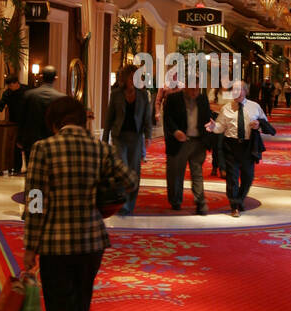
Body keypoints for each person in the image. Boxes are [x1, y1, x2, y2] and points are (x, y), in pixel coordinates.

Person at [23, 97, 137, 311]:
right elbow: (128, 181)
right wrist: (100, 190)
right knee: (81, 307)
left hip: (56, 245)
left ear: (55, 121)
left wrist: (29, 248)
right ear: (82, 120)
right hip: (91, 243)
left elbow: (35, 201)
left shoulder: (43, 149)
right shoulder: (100, 148)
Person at [207, 78, 269, 218]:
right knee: (232, 178)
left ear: (245, 91)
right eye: (233, 90)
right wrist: (213, 127)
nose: (236, 92)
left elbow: (265, 123)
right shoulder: (226, 108)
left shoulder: (255, 107)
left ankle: (239, 199)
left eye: (239, 89)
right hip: (231, 146)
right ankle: (234, 206)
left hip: (248, 147)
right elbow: (220, 127)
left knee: (248, 177)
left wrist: (258, 124)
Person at [103, 63, 152, 215]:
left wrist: (148, 135)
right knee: (122, 168)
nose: (133, 80)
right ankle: (122, 202)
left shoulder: (143, 95)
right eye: (130, 77)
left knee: (134, 171)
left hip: (136, 137)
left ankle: (130, 203)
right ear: (125, 78)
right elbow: (109, 118)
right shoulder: (116, 94)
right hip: (119, 137)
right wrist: (105, 138)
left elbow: (147, 117)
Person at [163, 84, 211, 214]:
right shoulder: (173, 98)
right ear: (186, 88)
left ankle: (200, 202)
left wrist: (209, 132)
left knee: (197, 173)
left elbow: (207, 118)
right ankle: (176, 201)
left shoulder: (202, 99)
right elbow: (167, 118)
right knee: (176, 174)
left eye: (197, 89)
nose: (195, 92)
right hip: (179, 142)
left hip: (198, 142)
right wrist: (175, 131)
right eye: (192, 89)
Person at [18, 65, 65, 152]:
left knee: (31, 165)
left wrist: (20, 138)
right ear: (55, 78)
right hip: (53, 140)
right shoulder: (61, 98)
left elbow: (22, 118)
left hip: (31, 140)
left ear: (41, 77)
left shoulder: (29, 95)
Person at [0, 73, 27, 173]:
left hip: (27, 121)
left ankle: (29, 168)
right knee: (16, 146)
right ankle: (17, 168)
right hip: (14, 122)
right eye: (8, 85)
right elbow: (0, 105)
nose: (9, 87)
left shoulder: (27, 91)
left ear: (16, 83)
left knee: (27, 145)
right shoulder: (7, 93)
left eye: (10, 85)